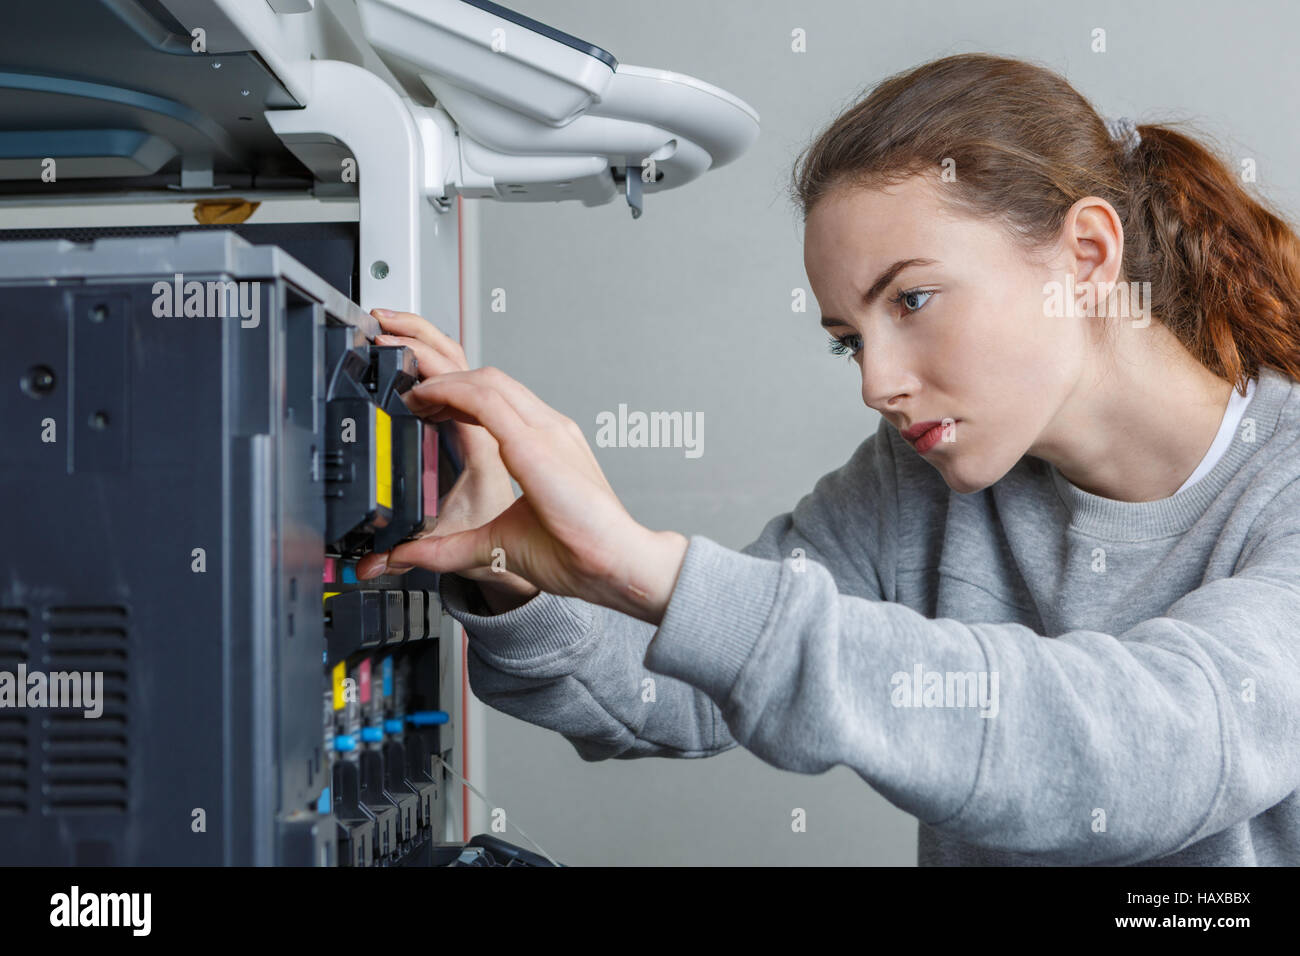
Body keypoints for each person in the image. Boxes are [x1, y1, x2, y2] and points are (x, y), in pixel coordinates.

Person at [356, 53, 1300, 865]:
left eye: (914, 301)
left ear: (1087, 254)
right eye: (849, 339)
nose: (877, 384)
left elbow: (1146, 752)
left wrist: (641, 564)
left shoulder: (1284, 485)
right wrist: (507, 568)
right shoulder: (912, 485)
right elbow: (679, 687)